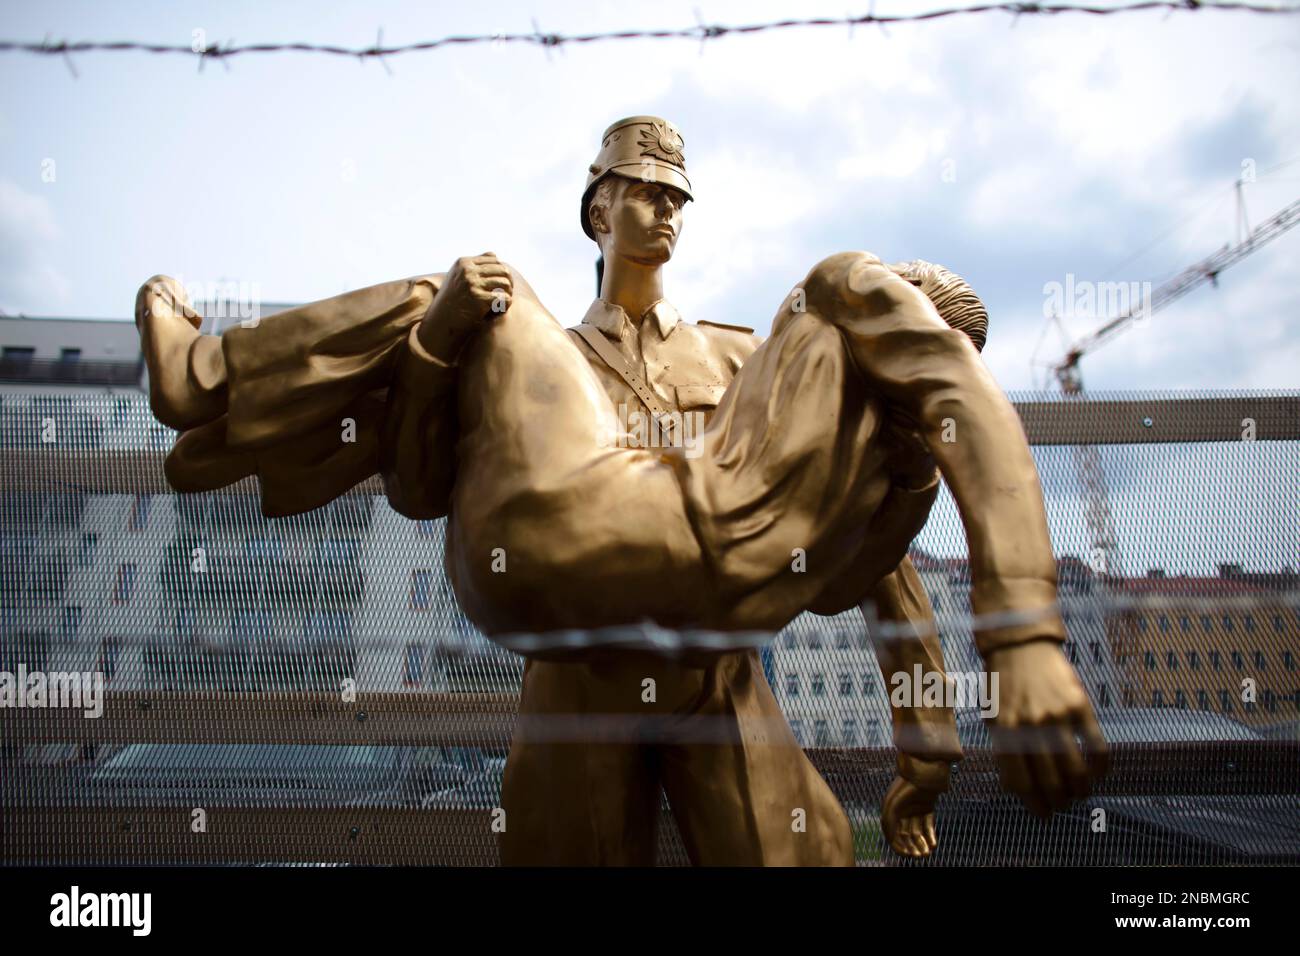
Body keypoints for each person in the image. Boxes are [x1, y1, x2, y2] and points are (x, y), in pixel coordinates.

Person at [135, 115, 1106, 865]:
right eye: (645, 191)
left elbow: (884, 581)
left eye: (680, 197)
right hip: (574, 676)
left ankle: (210, 373)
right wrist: (437, 344)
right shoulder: (538, 360)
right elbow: (423, 487)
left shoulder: (751, 360)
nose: (668, 210)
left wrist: (924, 744)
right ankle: (215, 376)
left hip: (717, 675)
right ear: (598, 208)